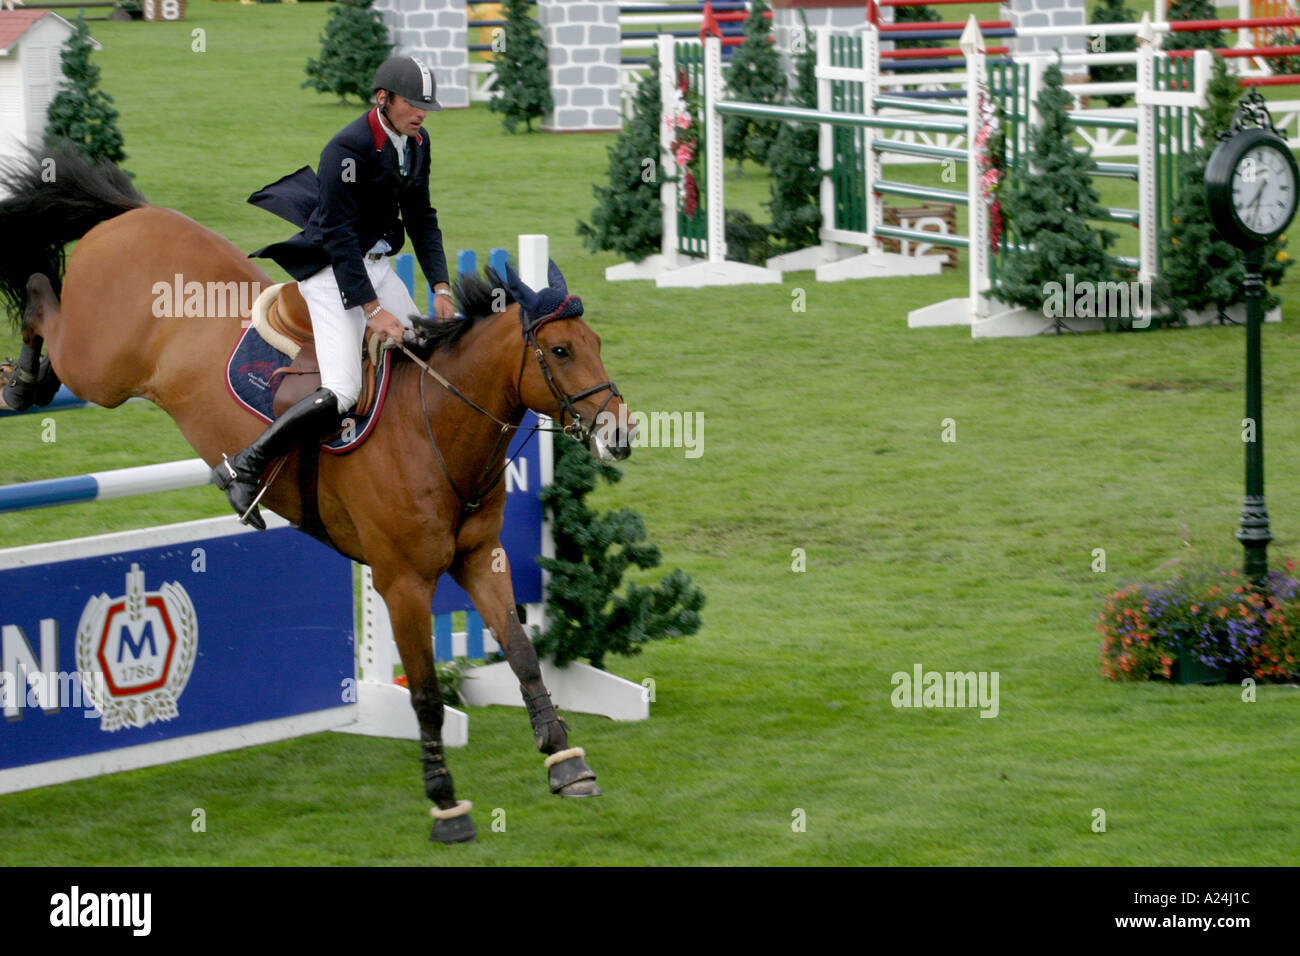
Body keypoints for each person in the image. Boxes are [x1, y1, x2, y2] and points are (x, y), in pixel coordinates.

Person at [216, 55, 458, 529]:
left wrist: (442, 286)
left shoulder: (417, 142)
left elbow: (422, 218)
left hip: (378, 265)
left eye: (427, 105)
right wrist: (371, 311)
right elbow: (341, 240)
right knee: (343, 390)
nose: (423, 113)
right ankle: (244, 465)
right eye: (414, 103)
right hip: (332, 271)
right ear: (383, 99)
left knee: (427, 349)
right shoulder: (346, 150)